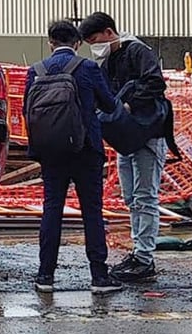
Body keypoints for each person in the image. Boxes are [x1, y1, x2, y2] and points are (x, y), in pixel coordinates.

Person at [25, 20, 123, 294]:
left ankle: (45, 276)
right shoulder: (88, 68)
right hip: (86, 150)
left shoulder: (36, 71)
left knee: (52, 208)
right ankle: (99, 278)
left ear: (50, 42)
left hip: (51, 152)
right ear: (78, 43)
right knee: (91, 211)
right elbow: (109, 104)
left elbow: (26, 112)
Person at [79, 11, 169, 282]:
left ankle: (144, 257)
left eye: (96, 40)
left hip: (147, 132)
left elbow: (155, 83)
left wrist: (129, 105)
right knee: (131, 197)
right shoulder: (110, 61)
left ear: (109, 32)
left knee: (145, 196)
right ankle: (139, 251)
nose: (96, 47)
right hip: (126, 136)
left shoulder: (137, 52)